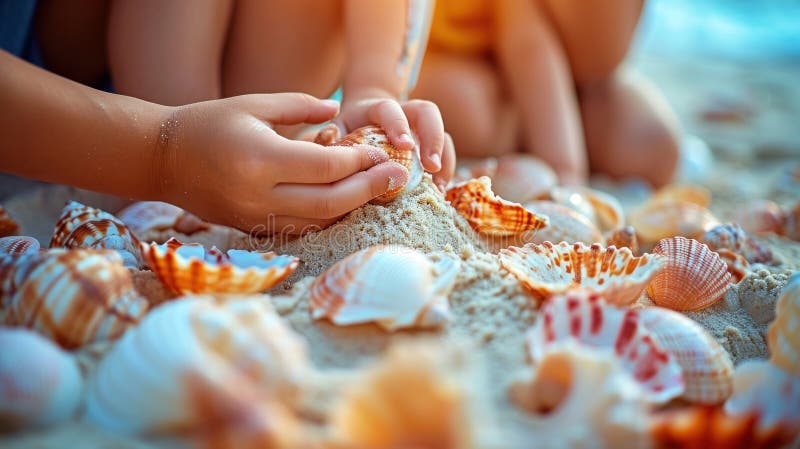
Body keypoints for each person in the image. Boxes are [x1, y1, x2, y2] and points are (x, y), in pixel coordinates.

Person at [0, 0, 449, 236]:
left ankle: (241, 148)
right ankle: (182, 145)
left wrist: (375, 85)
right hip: (49, 90)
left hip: (242, 86)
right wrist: (165, 152)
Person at [107, 0, 455, 190]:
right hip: (117, 89)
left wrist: (374, 88)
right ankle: (175, 150)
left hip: (274, 73)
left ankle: (262, 145)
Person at [411, 0, 681, 187]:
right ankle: (530, 134)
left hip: (560, 64)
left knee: (651, 145)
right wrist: (565, 171)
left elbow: (533, 46)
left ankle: (530, 130)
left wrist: (566, 175)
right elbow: (527, 45)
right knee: (464, 107)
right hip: (459, 58)